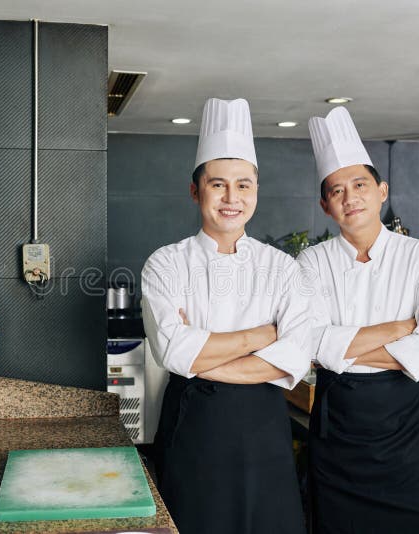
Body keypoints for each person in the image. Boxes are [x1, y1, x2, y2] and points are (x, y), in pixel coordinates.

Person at [141, 97, 310, 534]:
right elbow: (175, 353)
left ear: (256, 190)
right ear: (196, 190)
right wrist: (264, 334)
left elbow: (295, 356)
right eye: (218, 185)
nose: (231, 198)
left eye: (243, 185)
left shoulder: (283, 267)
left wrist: (204, 351)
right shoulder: (165, 262)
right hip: (194, 427)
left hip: (265, 433)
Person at [298, 106, 419, 533]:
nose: (351, 198)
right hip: (339, 438)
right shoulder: (311, 262)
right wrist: (399, 330)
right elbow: (311, 343)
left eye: (360, 185)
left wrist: (343, 350)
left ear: (382, 191)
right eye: (336, 191)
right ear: (325, 205)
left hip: (408, 433)